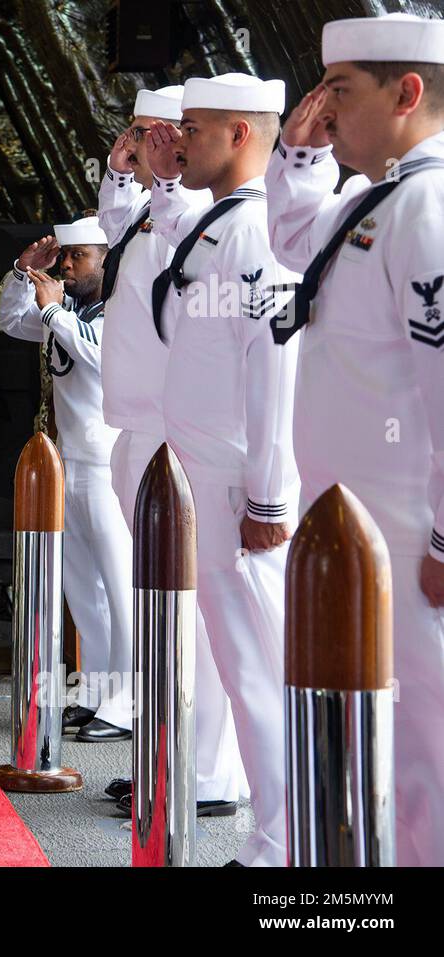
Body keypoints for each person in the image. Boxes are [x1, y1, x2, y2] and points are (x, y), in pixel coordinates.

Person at [266, 12, 444, 866]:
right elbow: (301, 242)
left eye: (341, 91)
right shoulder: (383, 197)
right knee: (385, 754)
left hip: (412, 540)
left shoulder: (431, 207)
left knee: (426, 759)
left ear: (407, 94)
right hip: (362, 536)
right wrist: (300, 155)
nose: (326, 110)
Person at [146, 73, 299, 866]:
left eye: (195, 129)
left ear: (241, 134)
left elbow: (274, 364)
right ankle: (277, 831)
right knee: (239, 668)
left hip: (240, 485)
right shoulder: (220, 224)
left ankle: (283, 842)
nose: (179, 140)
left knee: (262, 670)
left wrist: (269, 498)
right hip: (204, 476)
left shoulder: (262, 230)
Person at [97, 85, 245, 819]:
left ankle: (211, 773)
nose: (160, 144)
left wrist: (159, 178)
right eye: (150, 132)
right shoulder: (164, 209)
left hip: (184, 437)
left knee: (199, 614)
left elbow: (177, 231)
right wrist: (126, 172)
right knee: (164, 606)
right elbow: (119, 228)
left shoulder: (209, 217)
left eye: (172, 133)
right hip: (139, 431)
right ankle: (167, 757)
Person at [0, 217, 135, 742]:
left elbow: (104, 363)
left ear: (106, 260)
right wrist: (24, 274)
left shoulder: (123, 309)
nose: (68, 267)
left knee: (121, 584)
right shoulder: (64, 310)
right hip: (67, 460)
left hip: (107, 462)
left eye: (81, 257)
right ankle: (96, 688)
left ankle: (129, 701)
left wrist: (54, 311)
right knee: (82, 586)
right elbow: (9, 321)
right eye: (64, 257)